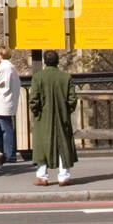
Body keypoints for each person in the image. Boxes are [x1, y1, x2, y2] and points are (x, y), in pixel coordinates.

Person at [29, 50, 77, 186]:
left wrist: (37, 112)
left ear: (45, 61)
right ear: (58, 61)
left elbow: (33, 100)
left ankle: (42, 176)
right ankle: (64, 177)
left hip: (43, 117)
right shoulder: (66, 77)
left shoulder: (38, 77)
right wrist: (66, 111)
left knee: (42, 146)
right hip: (62, 117)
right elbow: (72, 99)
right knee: (63, 145)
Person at [0, 46, 21, 166]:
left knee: (5, 128)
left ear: (1, 54)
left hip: (3, 102)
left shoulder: (4, 67)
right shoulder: (10, 66)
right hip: (5, 102)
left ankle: (8, 154)